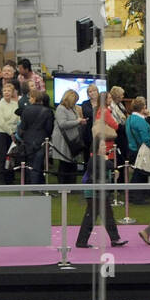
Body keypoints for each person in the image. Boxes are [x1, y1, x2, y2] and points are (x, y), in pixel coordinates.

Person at [75, 93, 126, 249]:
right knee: (92, 217)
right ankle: (83, 241)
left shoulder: (98, 159)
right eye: (103, 146)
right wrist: (110, 166)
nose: (105, 148)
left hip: (99, 192)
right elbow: (106, 168)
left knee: (103, 216)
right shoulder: (96, 160)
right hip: (95, 192)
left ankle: (113, 239)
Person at [19, 87, 54, 185]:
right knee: (39, 163)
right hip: (42, 140)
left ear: (34, 98)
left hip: (28, 139)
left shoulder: (26, 110)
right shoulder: (47, 111)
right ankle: (38, 182)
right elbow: (49, 128)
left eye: (30, 97)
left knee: (29, 162)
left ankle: (29, 183)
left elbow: (23, 126)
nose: (29, 99)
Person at [52, 88, 85, 185]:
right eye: (75, 100)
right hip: (63, 140)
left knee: (71, 162)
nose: (76, 102)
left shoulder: (72, 108)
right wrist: (77, 121)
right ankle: (63, 185)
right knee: (64, 163)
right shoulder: (61, 108)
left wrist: (80, 121)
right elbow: (62, 124)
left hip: (72, 139)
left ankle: (71, 184)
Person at [0, 82, 22, 185]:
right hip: (1, 133)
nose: (6, 93)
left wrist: (15, 132)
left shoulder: (15, 104)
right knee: (1, 156)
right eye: (4, 91)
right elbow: (1, 122)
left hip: (12, 133)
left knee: (11, 156)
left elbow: (17, 118)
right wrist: (10, 132)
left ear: (13, 92)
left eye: (9, 91)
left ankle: (9, 178)